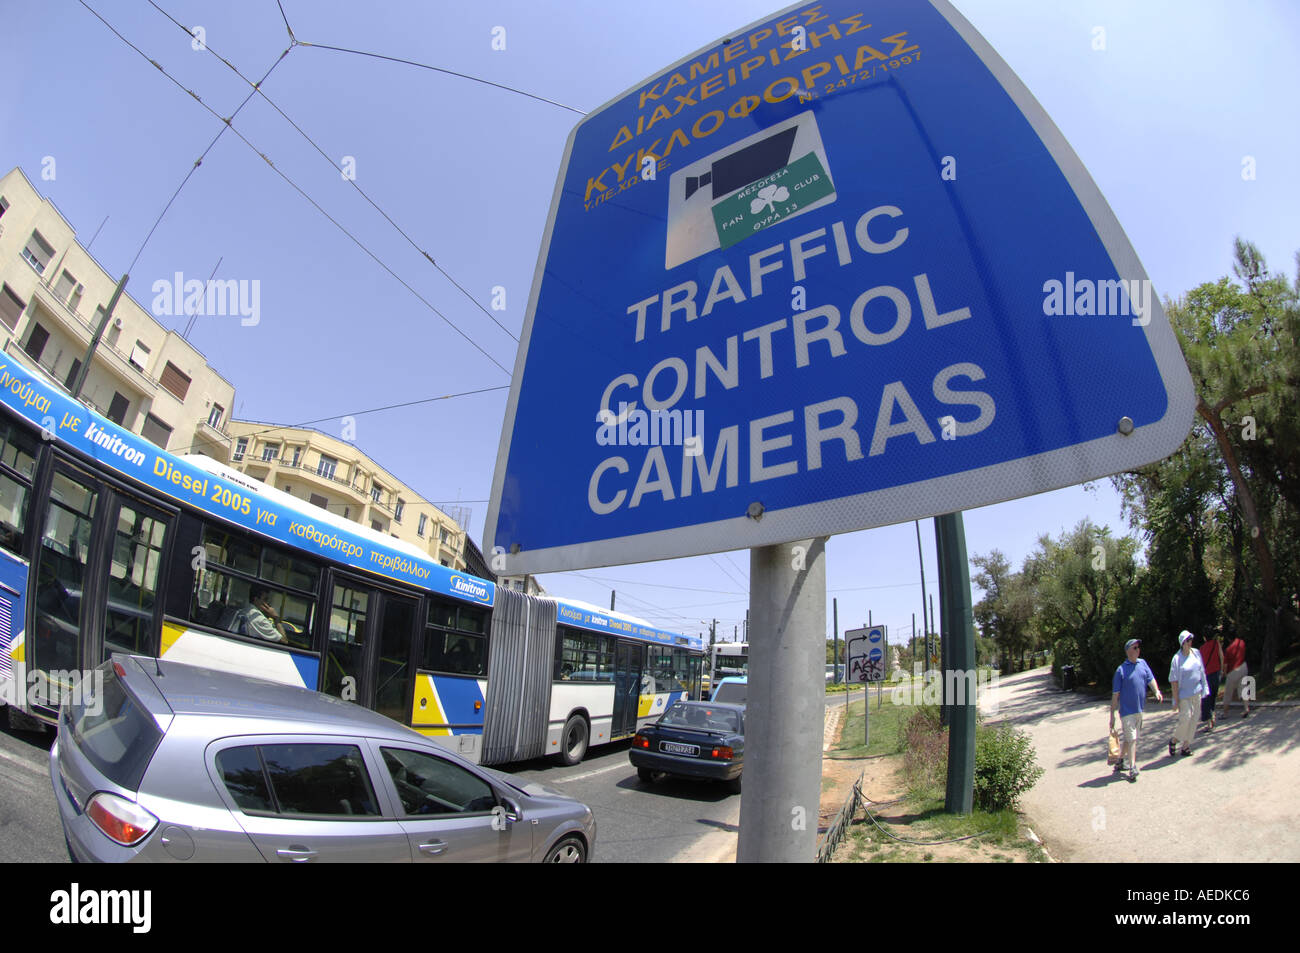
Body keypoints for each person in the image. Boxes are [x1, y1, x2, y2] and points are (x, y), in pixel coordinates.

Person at [1110, 638, 1163, 782]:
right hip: (1126, 712)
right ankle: (1132, 767)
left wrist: (1156, 690)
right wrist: (1112, 716)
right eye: (1134, 648)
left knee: (1130, 738)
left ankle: (1120, 760)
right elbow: (1115, 695)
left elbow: (1150, 678)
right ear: (1128, 651)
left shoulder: (1142, 663)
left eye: (1138, 647)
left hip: (1139, 709)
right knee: (1133, 739)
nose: (1137, 650)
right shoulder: (1121, 670)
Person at [1168, 630, 1208, 757]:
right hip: (1184, 695)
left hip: (1197, 691)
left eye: (1191, 640)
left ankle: (1186, 746)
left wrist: (1205, 687)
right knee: (1185, 719)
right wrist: (1175, 700)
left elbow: (1201, 671)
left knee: (1195, 718)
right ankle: (1174, 740)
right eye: (1188, 641)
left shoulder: (1195, 653)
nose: (1190, 643)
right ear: (1182, 643)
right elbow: (1174, 680)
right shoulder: (1177, 659)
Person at [1199, 630, 1225, 730]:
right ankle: (1212, 716)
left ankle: (1210, 723)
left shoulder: (1201, 649)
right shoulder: (1216, 644)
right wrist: (1222, 670)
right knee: (1213, 696)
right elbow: (1221, 657)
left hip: (1206, 676)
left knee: (1207, 698)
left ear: (1204, 638)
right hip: (1216, 673)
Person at [1221, 632, 1251, 718]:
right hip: (1243, 667)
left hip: (1233, 671)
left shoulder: (1228, 649)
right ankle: (1246, 708)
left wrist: (1225, 673)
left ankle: (1225, 713)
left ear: (1229, 639)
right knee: (1244, 689)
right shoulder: (1242, 642)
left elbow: (1225, 665)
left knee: (1228, 693)